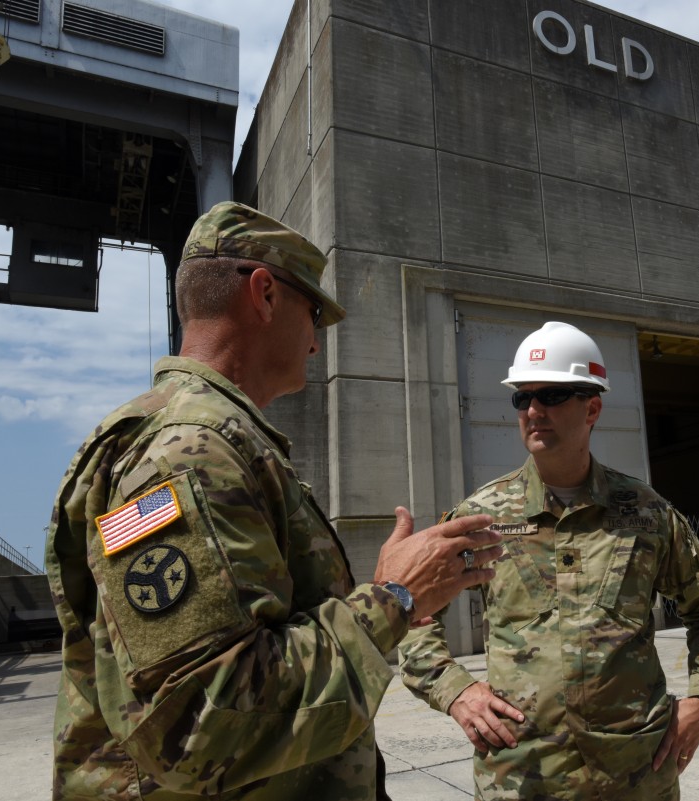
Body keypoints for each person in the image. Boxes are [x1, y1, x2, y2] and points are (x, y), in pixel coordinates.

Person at [45, 201, 502, 800]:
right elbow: (203, 723)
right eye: (314, 313)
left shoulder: (203, 439)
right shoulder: (189, 452)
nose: (316, 344)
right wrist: (395, 598)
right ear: (263, 294)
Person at [400, 321, 699, 800]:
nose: (534, 410)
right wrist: (456, 690)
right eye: (523, 398)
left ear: (593, 408)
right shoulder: (480, 519)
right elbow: (411, 613)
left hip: (635, 776)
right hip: (523, 777)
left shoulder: (647, 514)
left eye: (554, 395)